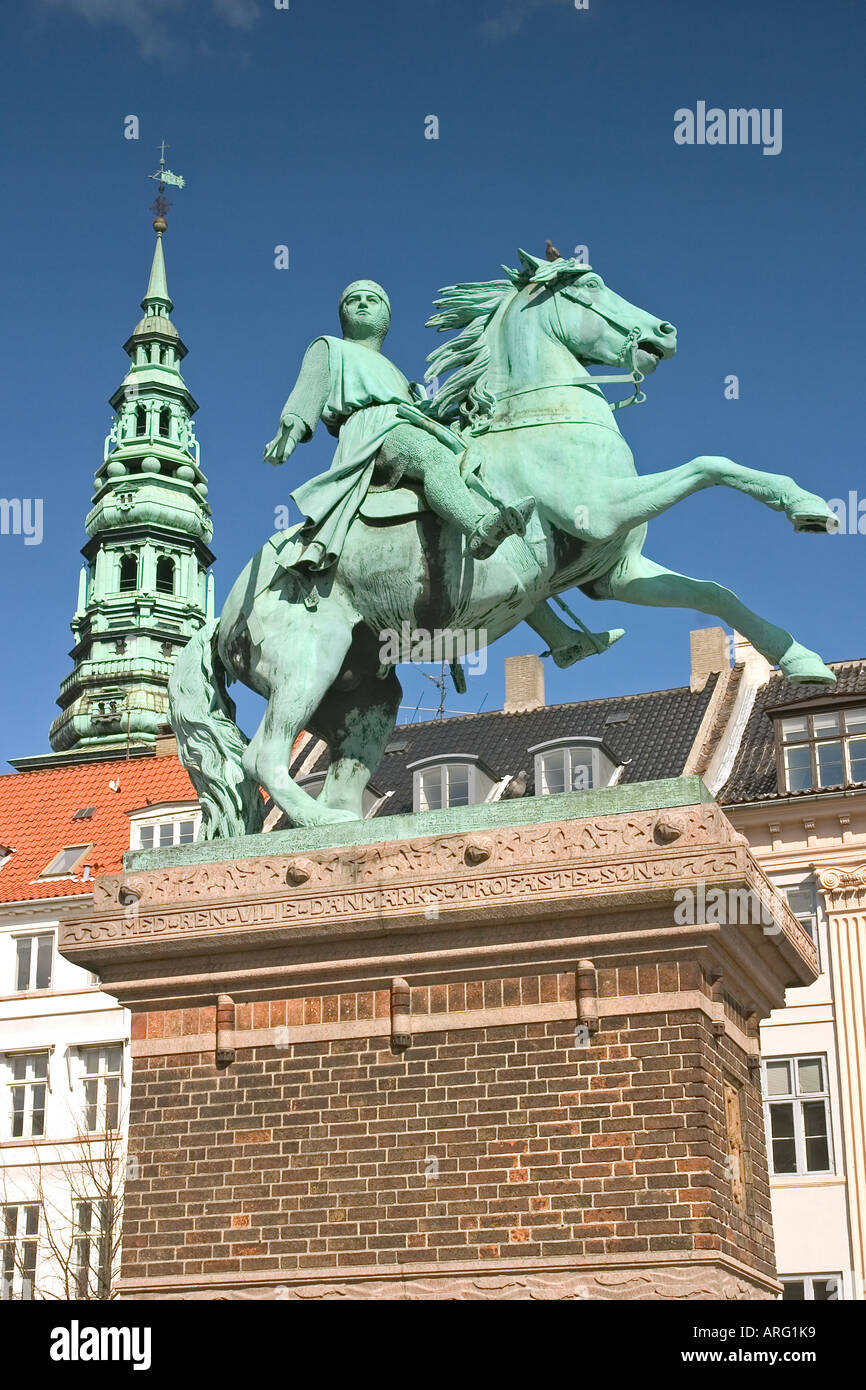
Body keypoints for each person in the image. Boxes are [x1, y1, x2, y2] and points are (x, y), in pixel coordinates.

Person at [264, 280, 533, 570]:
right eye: (354, 300)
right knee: (431, 454)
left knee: (472, 453)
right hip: (372, 429)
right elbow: (308, 393)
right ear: (342, 314)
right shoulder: (330, 346)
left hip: (406, 422)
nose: (363, 304)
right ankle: (479, 529)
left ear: (386, 318)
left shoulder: (397, 372)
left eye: (372, 300)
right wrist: (290, 433)